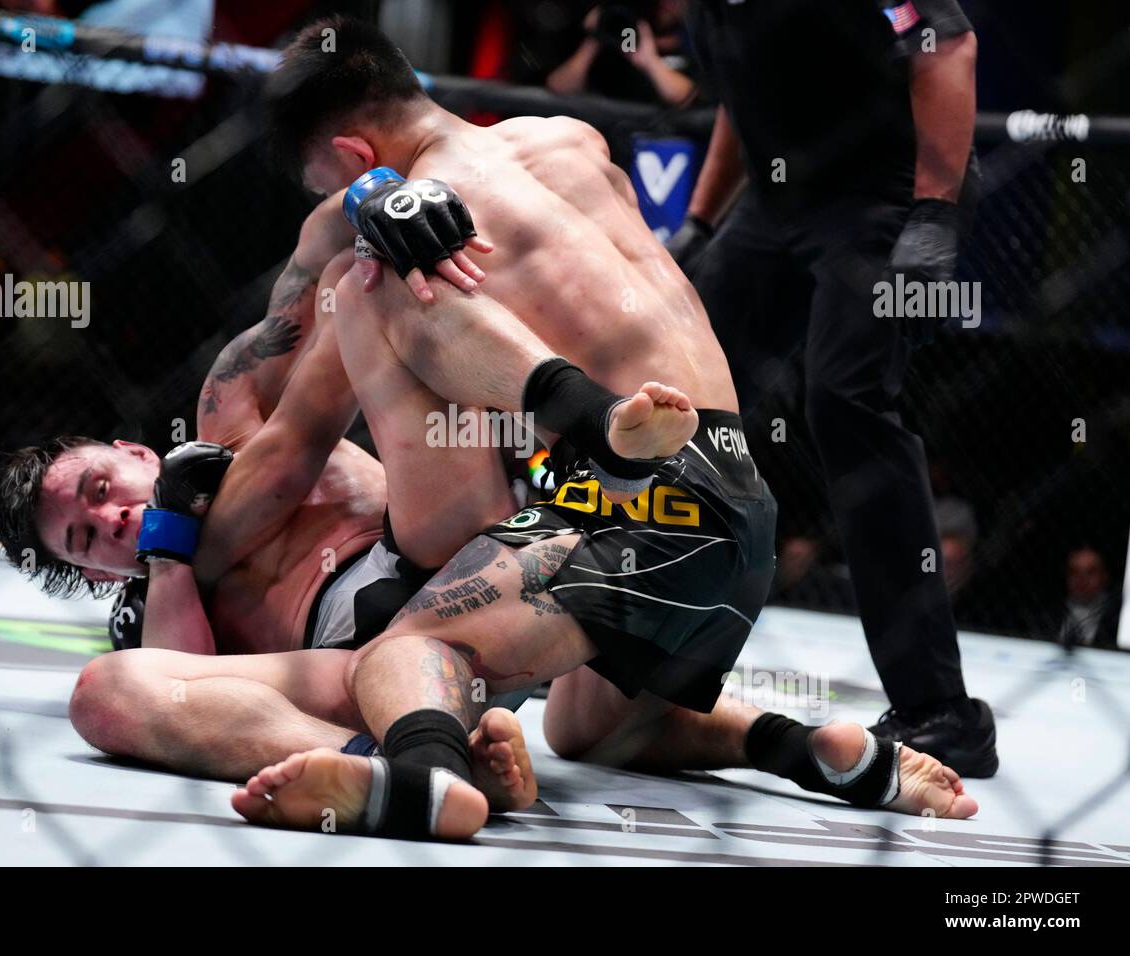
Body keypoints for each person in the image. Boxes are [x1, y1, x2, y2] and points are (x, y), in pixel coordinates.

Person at [235, 16, 977, 840]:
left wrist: (366, 205)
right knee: (583, 728)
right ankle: (801, 746)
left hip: (640, 496)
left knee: (402, 659)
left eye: (329, 185)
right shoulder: (569, 138)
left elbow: (280, 364)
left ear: (350, 160)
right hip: (739, 510)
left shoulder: (404, 231)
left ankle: (431, 781)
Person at [0, 192, 537, 806]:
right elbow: (180, 688)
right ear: (95, 571)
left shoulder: (229, 412)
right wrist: (169, 550)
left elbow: (312, 258)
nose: (109, 516)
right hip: (361, 671)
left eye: (100, 488)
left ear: (135, 452)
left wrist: (377, 197)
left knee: (360, 275)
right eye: (85, 537)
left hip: (451, 557)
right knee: (103, 693)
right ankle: (401, 766)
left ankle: (568, 420)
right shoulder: (152, 615)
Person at [666, 0, 998, 775]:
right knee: (682, 381)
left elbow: (946, 46)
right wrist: (703, 222)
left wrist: (934, 216)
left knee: (846, 400)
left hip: (885, 192)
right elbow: (745, 104)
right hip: (778, 205)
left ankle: (940, 709)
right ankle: (624, 638)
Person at [546, 1, 697, 107]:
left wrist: (650, 61)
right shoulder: (610, 42)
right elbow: (558, 88)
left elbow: (685, 98)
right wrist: (597, 35)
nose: (668, 3)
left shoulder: (694, 43)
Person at [1056, 547, 1120, 650]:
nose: (1081, 579)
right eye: (1074, 572)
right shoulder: (1048, 612)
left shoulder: (1119, 617)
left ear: (1104, 576)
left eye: (1090, 572)